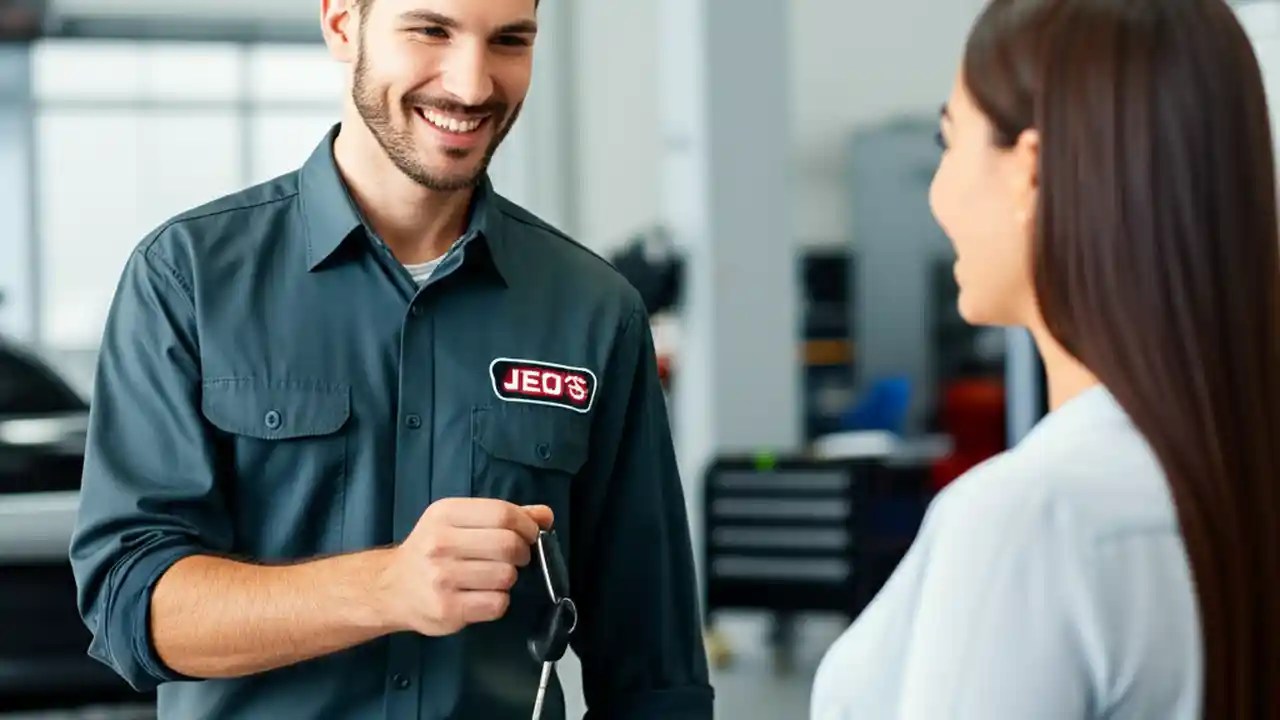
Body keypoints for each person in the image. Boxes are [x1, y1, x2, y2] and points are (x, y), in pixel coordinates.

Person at [68, 1, 713, 718]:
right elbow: (130, 610)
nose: (472, 86)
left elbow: (656, 673)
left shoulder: (596, 310)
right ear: (343, 24)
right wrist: (386, 588)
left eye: (509, 40)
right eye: (431, 30)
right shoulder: (187, 280)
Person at [811, 0, 1280, 718]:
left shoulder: (1031, 519)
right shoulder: (1234, 475)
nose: (938, 195)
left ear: (1031, 170)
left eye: (950, 141)